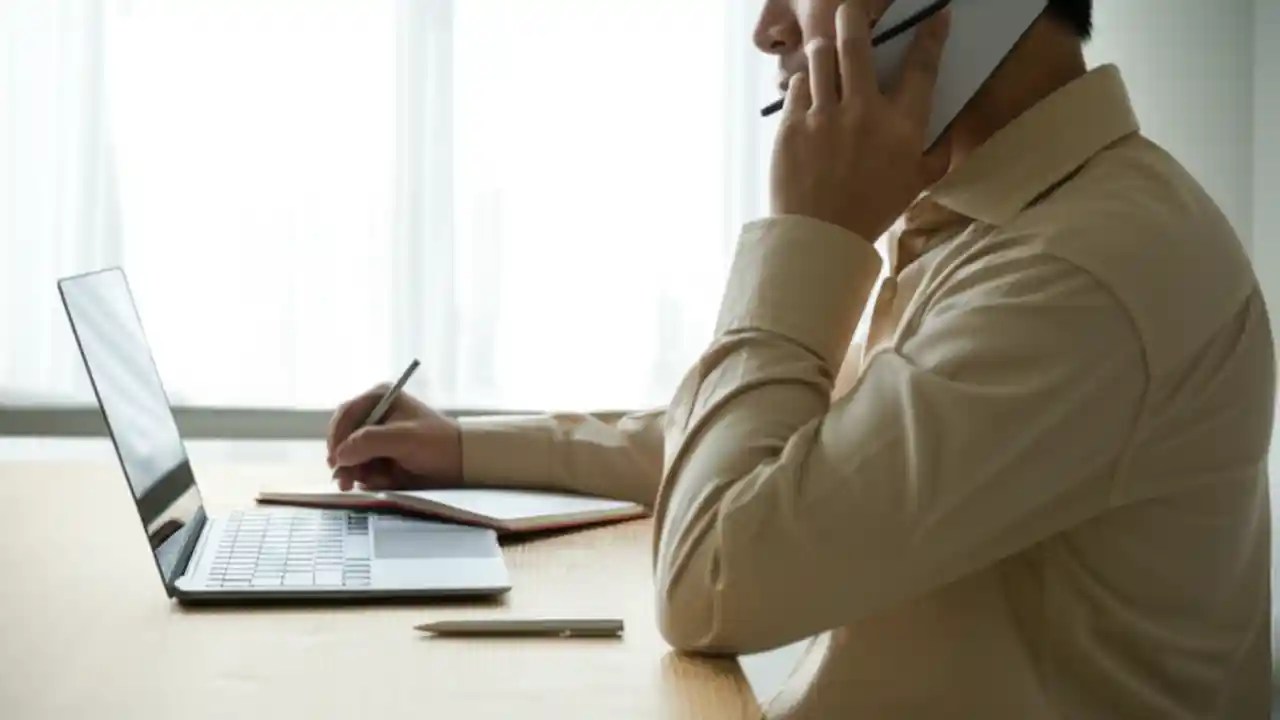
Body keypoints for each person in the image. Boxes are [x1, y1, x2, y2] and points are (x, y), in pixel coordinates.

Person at [326, 0, 1274, 716]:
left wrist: (808, 232)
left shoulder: (1076, 277)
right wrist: (467, 447)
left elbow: (711, 580)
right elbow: (783, 449)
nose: (770, 28)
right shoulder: (1010, 222)